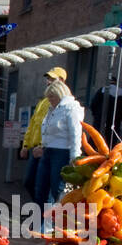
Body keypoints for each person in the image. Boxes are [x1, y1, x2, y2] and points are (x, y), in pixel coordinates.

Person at [34, 78, 84, 206]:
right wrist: (42, 146)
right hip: (48, 151)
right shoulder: (52, 110)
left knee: (57, 189)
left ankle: (52, 222)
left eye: (52, 97)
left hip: (62, 152)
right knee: (41, 188)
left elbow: (75, 133)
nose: (50, 100)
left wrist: (75, 157)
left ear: (60, 94)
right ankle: (40, 221)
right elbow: (47, 131)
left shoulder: (71, 108)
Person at [21, 67, 67, 199]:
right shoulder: (43, 101)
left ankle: (41, 214)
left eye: (52, 79)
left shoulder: (61, 103)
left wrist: (43, 146)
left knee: (45, 187)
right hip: (36, 149)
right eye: (48, 79)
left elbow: (55, 128)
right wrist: (25, 146)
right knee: (31, 183)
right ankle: (39, 211)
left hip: (46, 150)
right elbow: (33, 124)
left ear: (61, 80)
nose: (48, 81)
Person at [89, 75, 122, 145]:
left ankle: (92, 151)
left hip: (100, 118)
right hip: (114, 119)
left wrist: (95, 115)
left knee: (96, 136)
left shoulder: (102, 90)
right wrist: (118, 119)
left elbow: (93, 104)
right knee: (111, 138)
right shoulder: (121, 92)